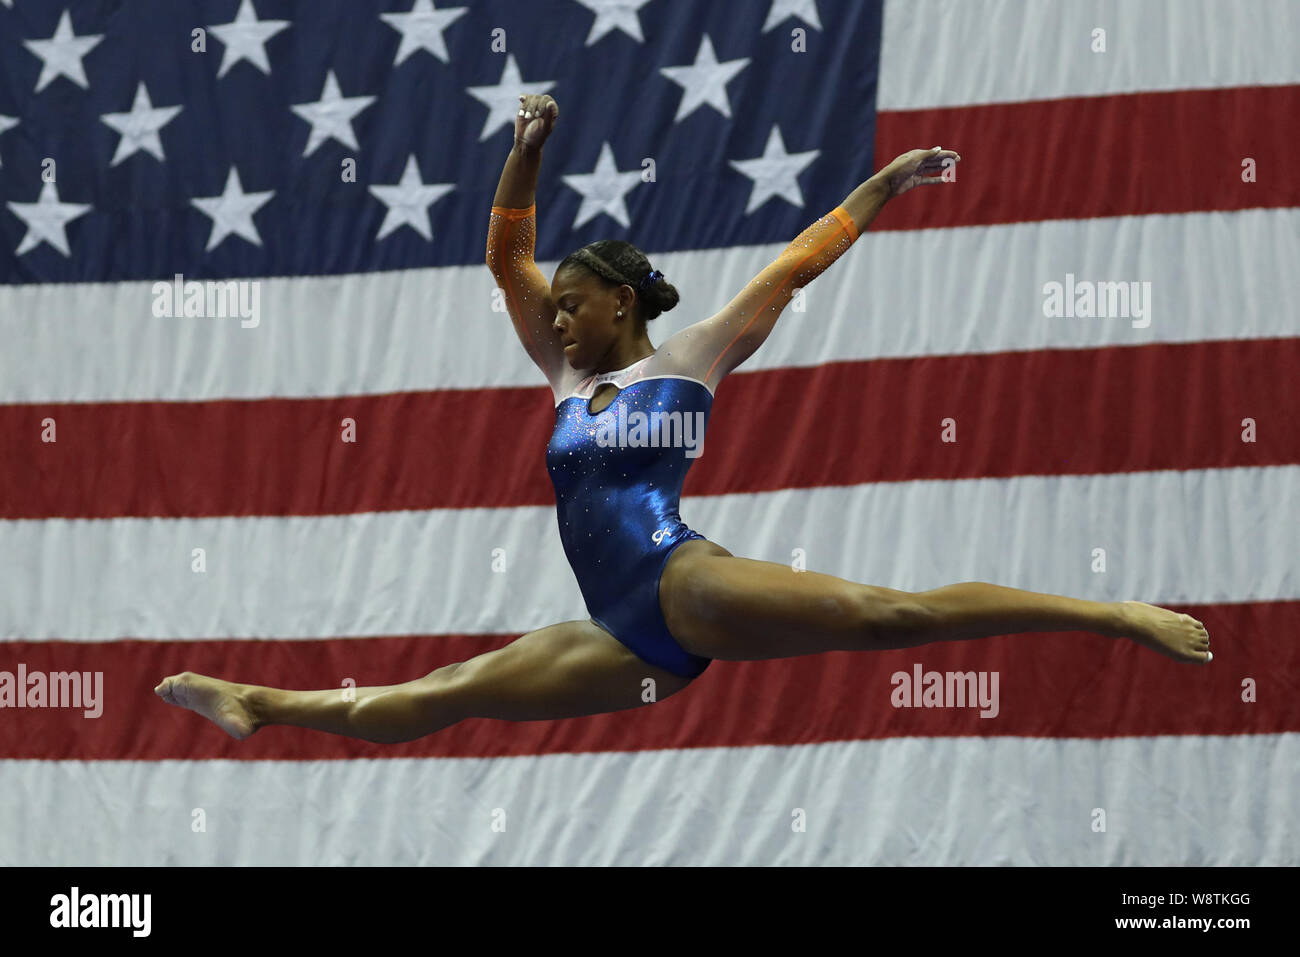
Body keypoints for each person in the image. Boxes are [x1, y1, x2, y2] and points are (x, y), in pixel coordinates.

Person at [156, 94, 1210, 744]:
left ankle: (1115, 616)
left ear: (620, 302)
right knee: (444, 695)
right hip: (623, 637)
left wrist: (882, 183)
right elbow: (503, 257)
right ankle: (258, 702)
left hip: (677, 577)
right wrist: (525, 145)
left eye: (572, 304)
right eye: (550, 309)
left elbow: (793, 265)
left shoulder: (691, 360)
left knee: (893, 618)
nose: (553, 319)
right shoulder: (563, 383)